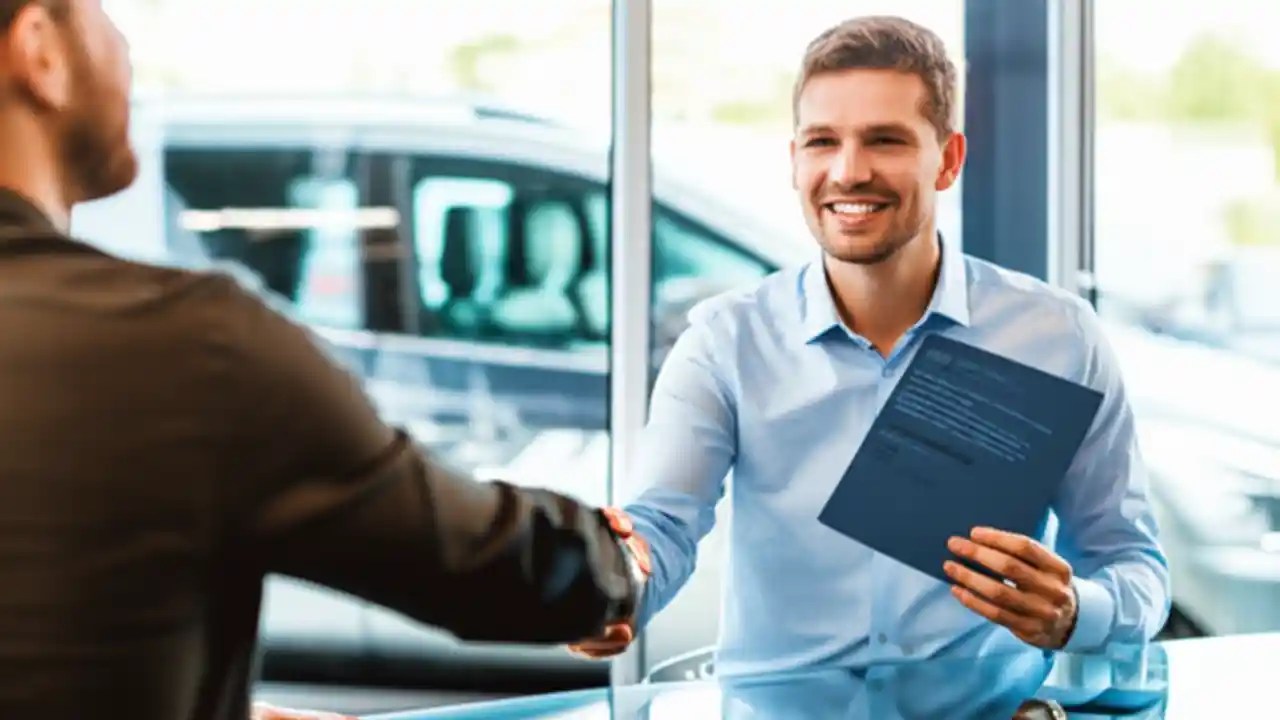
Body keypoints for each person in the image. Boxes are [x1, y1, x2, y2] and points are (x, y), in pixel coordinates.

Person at [0, 2, 648, 719]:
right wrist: (613, 562)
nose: (126, 48)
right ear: (40, 48)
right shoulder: (186, 345)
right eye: (101, 12)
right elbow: (493, 565)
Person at [570, 15, 1170, 674]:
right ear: (795, 159)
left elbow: (1131, 561)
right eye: (822, 142)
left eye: (885, 140)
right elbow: (661, 525)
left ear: (948, 160)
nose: (849, 172)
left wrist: (1077, 610)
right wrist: (612, 588)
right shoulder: (724, 342)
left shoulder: (1056, 337)